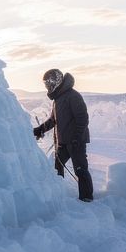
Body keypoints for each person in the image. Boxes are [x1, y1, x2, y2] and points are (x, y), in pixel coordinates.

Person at [32, 69, 94, 202]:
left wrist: (77, 137)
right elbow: (53, 120)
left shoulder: (73, 96)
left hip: (76, 141)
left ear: (56, 81)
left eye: (48, 83)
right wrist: (40, 129)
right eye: (45, 83)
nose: (46, 86)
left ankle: (87, 198)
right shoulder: (58, 99)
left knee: (80, 169)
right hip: (64, 142)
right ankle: (59, 194)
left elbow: (82, 118)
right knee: (57, 168)